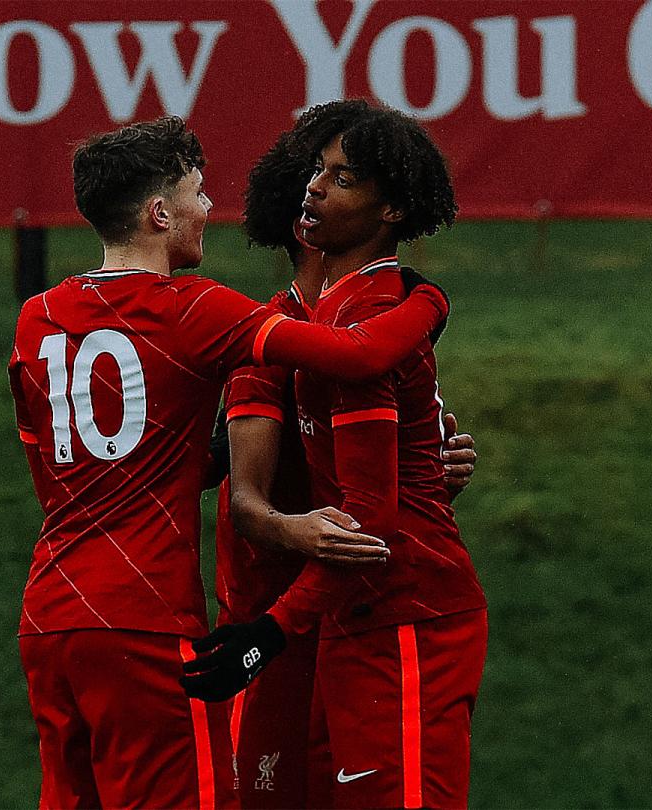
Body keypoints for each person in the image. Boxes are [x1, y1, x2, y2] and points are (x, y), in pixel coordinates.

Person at [8, 116, 454, 809]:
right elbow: (361, 356)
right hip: (146, 616)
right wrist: (430, 299)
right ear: (160, 214)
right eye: (197, 194)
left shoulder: (37, 316)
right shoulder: (194, 308)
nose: (210, 210)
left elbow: (46, 463)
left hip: (49, 614)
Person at [188, 103, 488, 809]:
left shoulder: (358, 322)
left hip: (385, 609)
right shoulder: (320, 329)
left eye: (340, 177)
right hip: (323, 613)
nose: (314, 191)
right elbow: (257, 502)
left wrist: (268, 629)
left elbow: (374, 520)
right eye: (316, 175)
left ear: (390, 209)